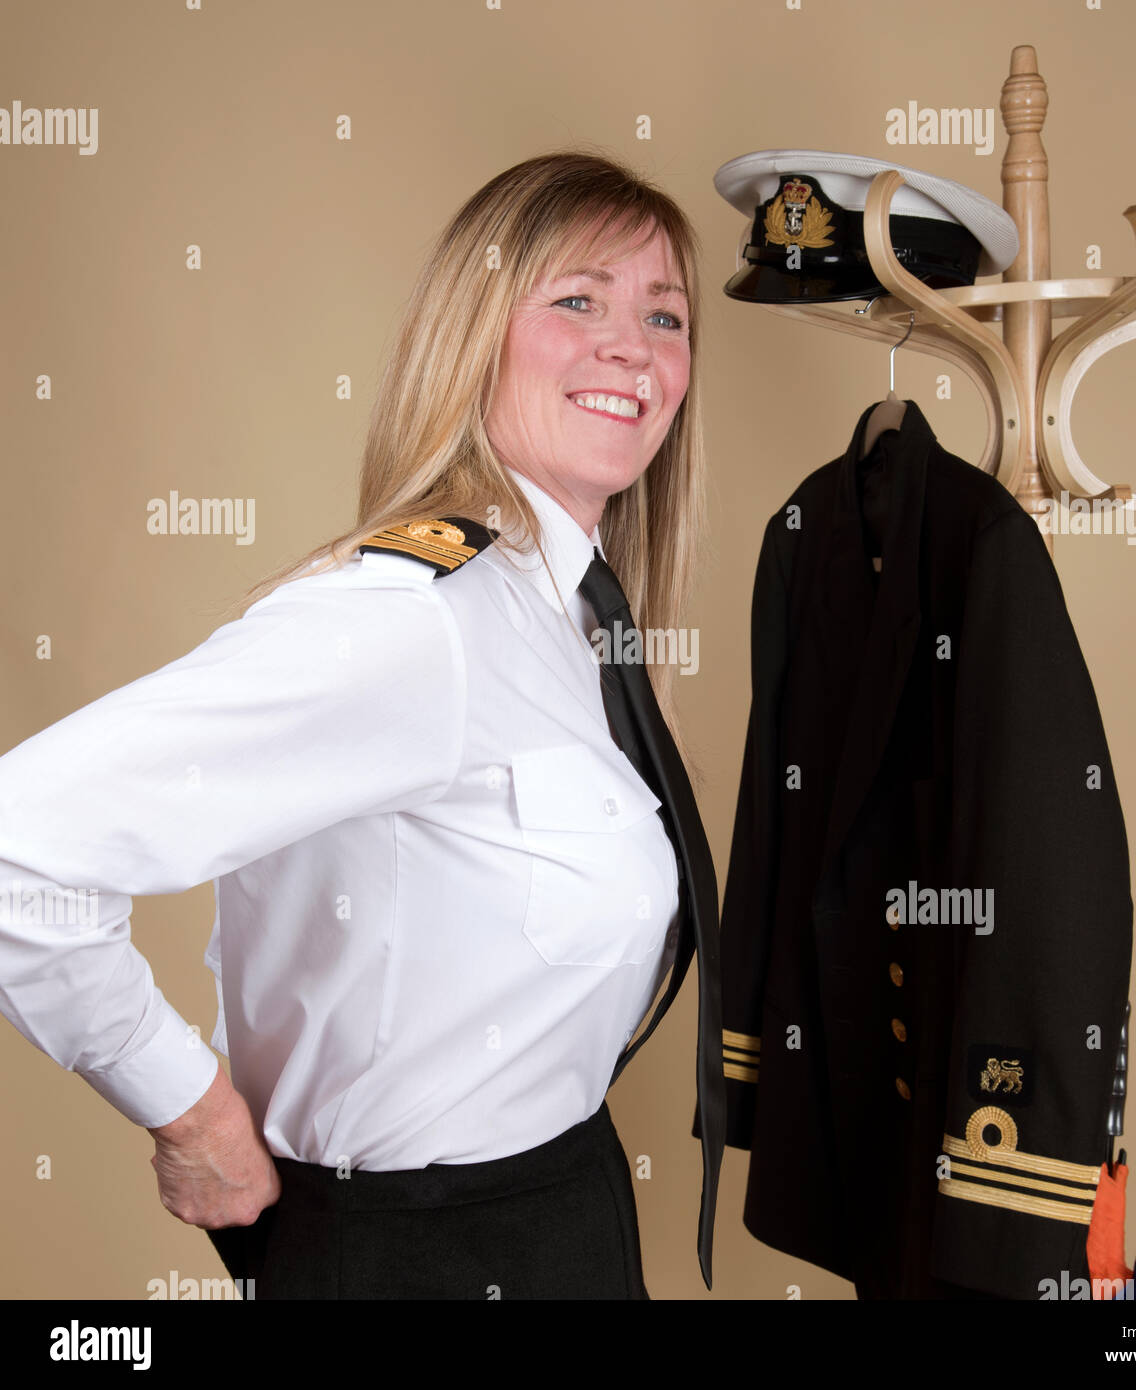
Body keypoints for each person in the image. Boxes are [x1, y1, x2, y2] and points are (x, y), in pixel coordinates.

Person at [0, 149, 721, 1299]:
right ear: (472, 331)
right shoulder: (413, 622)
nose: (632, 347)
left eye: (664, 315)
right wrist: (192, 1115)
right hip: (419, 1255)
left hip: (561, 1214)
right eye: (577, 300)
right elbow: (17, 846)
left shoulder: (564, 615)